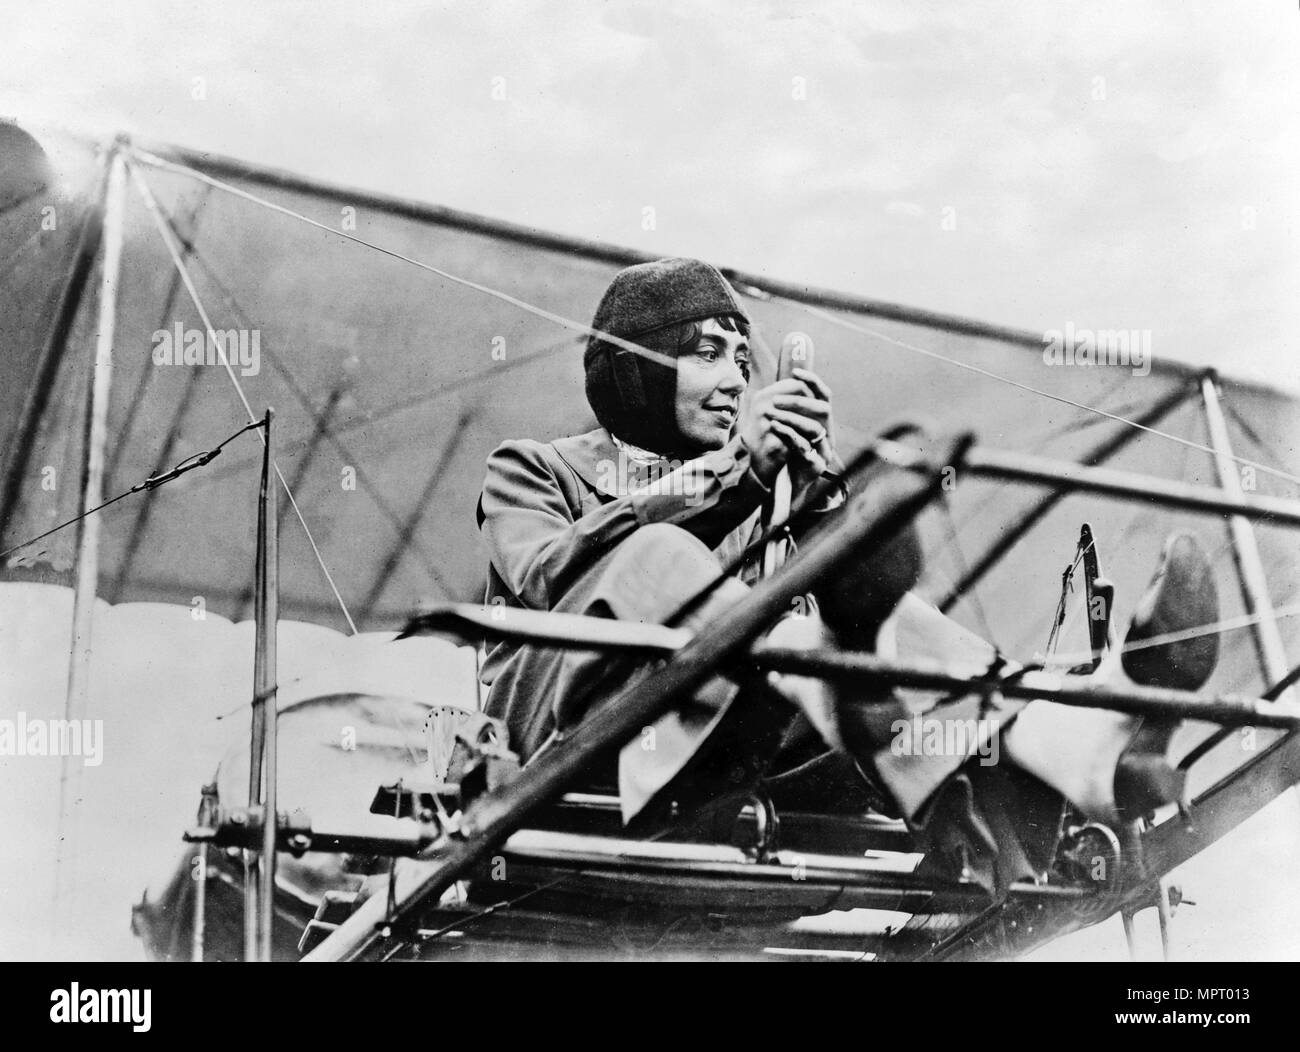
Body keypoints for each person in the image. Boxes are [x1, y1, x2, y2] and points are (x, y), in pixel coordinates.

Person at [476, 257, 1218, 891]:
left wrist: (821, 498)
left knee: (878, 612)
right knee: (664, 558)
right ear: (638, 366)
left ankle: (1073, 736)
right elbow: (545, 574)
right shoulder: (531, 467)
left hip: (731, 730)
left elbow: (837, 591)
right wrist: (730, 478)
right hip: (565, 735)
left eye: (744, 362)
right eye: (707, 353)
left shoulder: (753, 490)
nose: (735, 380)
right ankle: (859, 684)